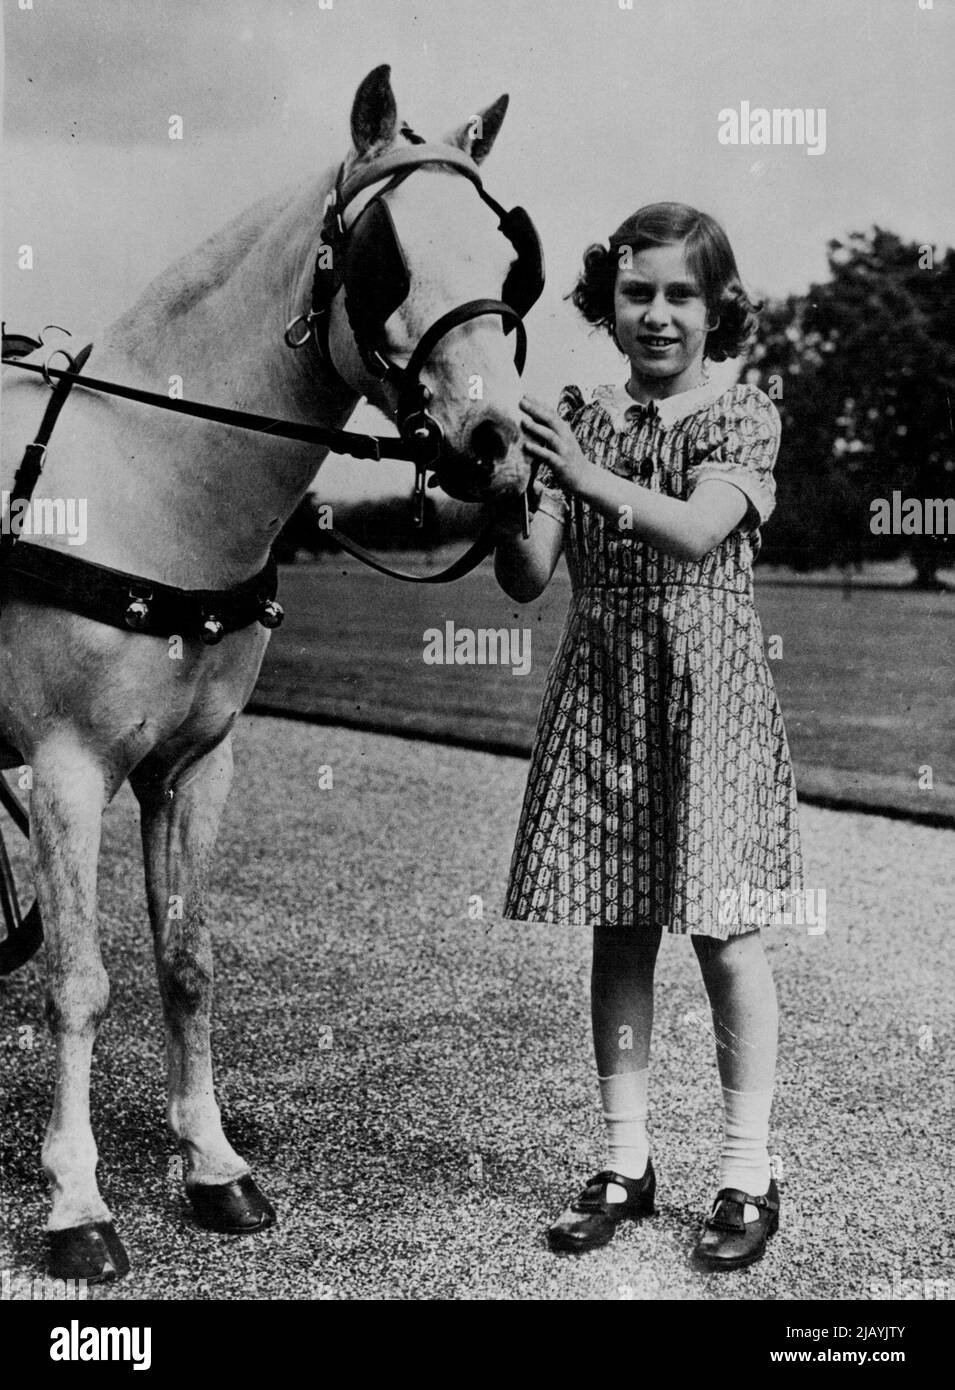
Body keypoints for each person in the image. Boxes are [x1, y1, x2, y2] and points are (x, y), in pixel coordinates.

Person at [493, 202, 803, 1271]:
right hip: (605, 689)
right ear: (606, 301)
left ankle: (746, 1171)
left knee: (725, 934)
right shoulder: (579, 420)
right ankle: (625, 1163)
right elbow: (527, 577)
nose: (658, 315)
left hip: (707, 698)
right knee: (617, 928)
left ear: (717, 309)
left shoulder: (742, 415)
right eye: (637, 293)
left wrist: (579, 474)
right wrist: (515, 483)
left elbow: (696, 527)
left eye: (680, 295)